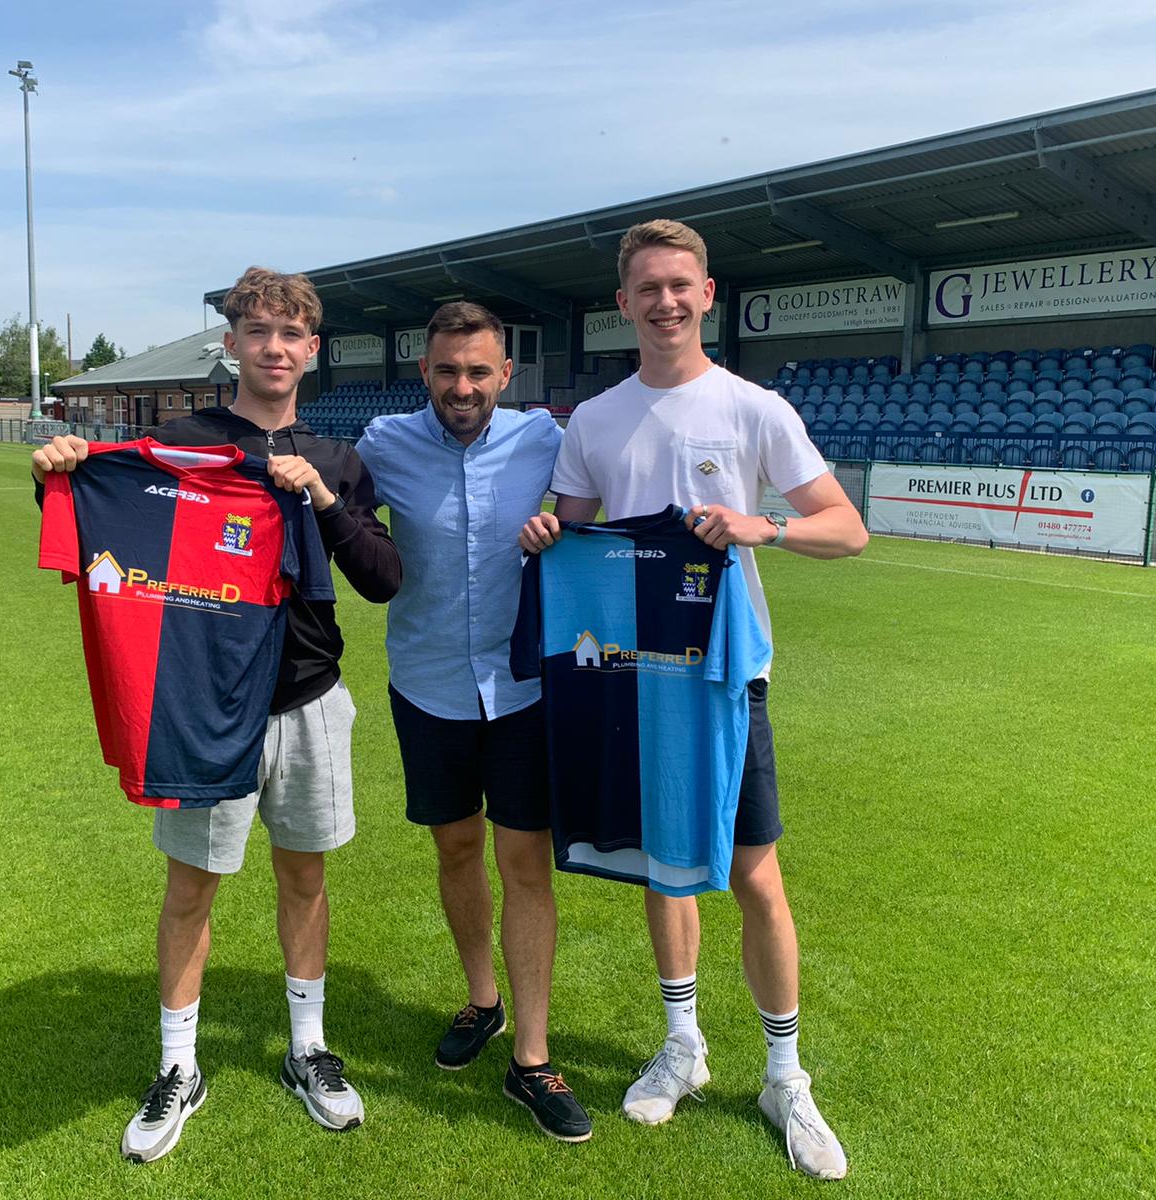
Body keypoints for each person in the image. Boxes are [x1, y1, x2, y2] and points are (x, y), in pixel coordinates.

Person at [519, 219, 866, 1180]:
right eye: (647, 288)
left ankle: (785, 1077)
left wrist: (765, 529)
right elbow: (577, 536)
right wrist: (549, 531)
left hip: (722, 678)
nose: (665, 301)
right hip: (628, 673)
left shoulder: (755, 408)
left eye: (681, 284)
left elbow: (849, 528)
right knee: (665, 863)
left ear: (708, 294)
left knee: (755, 877)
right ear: (622, 304)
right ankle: (683, 1046)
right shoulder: (592, 419)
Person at [31, 267, 401, 1162]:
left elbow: (384, 579)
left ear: (312, 350)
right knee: (192, 887)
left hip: (310, 697)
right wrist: (57, 475)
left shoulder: (341, 458)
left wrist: (317, 495)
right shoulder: (177, 444)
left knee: (304, 877)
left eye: (291, 334)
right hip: (203, 705)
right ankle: (179, 1066)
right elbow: (99, 531)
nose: (275, 347)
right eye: (258, 331)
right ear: (231, 343)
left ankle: (307, 1050)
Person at [353, 302, 591, 1142]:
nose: (463, 387)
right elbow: (292, 481)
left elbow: (602, 512)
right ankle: (482, 1001)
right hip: (426, 684)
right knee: (455, 847)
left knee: (525, 860)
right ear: (425, 372)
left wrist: (563, 529)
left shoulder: (546, 443)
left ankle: (532, 1058)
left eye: (478, 372)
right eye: (447, 371)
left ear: (505, 375)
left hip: (525, 687)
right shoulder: (381, 444)